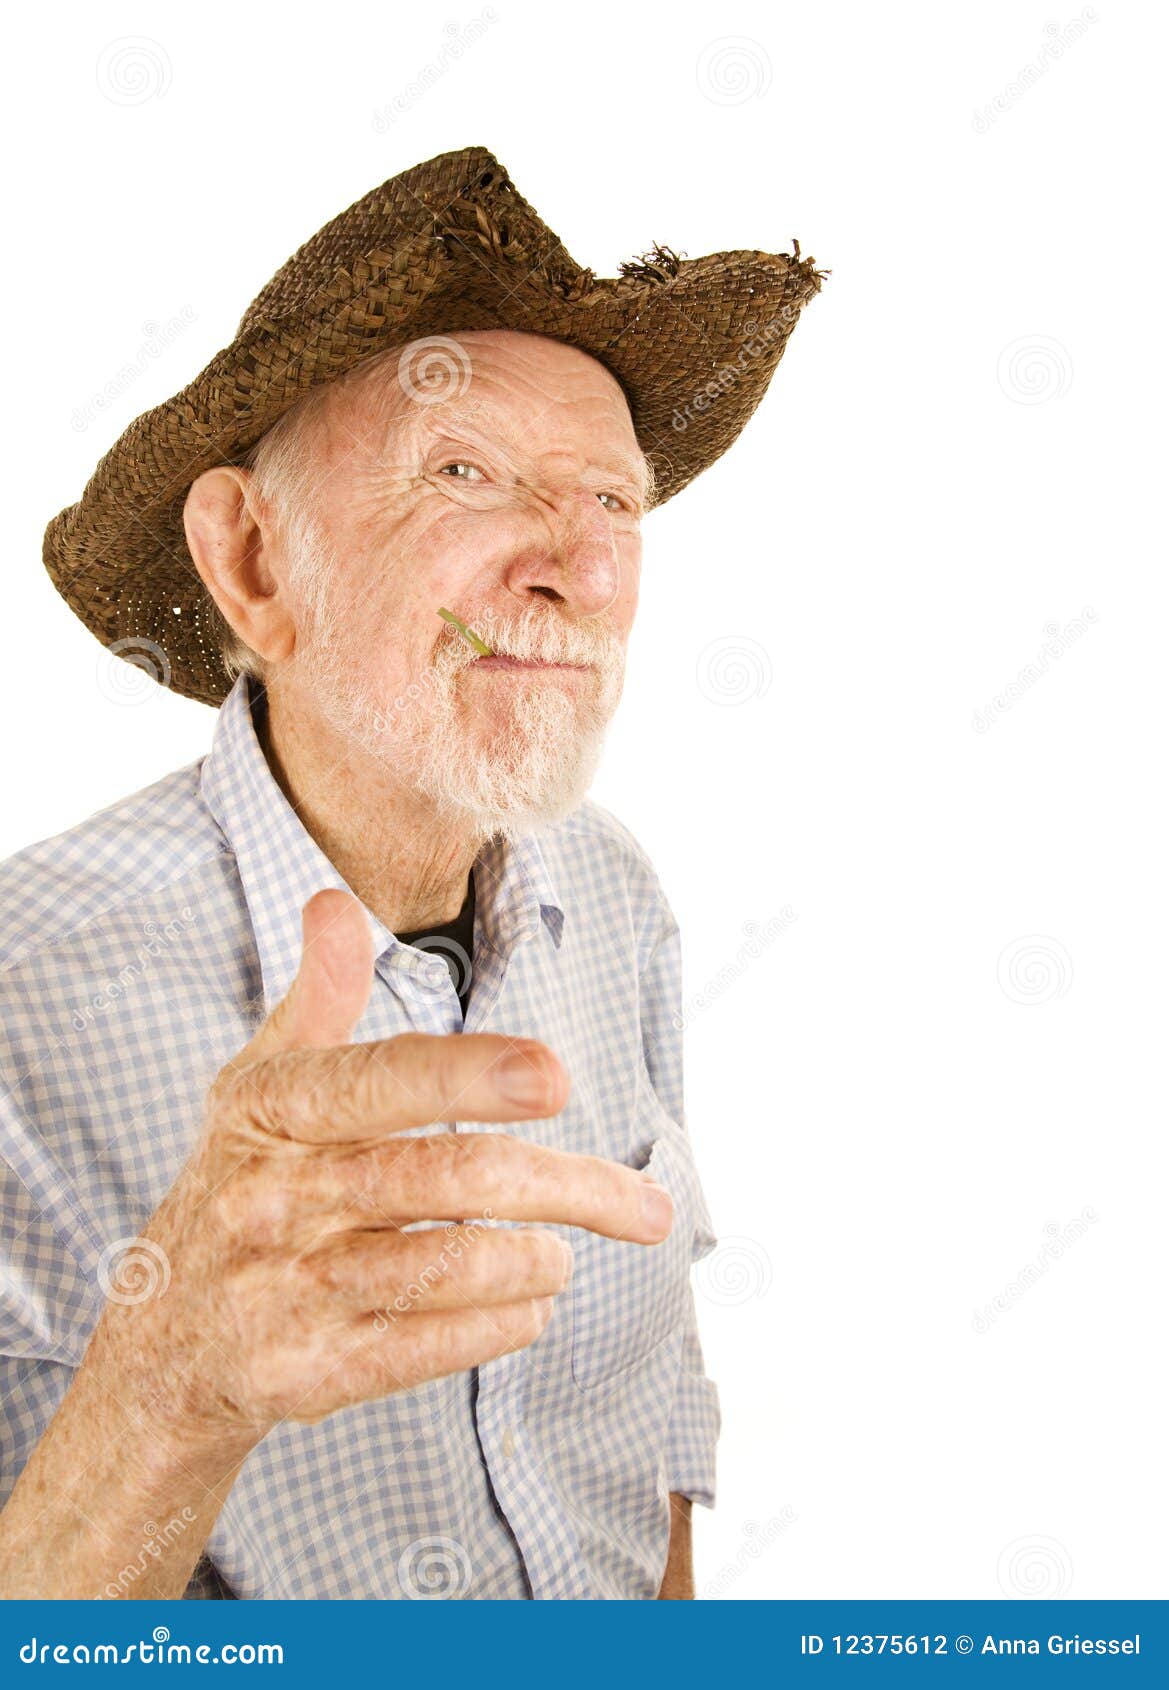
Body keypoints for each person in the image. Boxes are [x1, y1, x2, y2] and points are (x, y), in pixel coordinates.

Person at [0, 145, 822, 1598]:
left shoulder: (613, 891)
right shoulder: (25, 1002)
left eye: (614, 502)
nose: (587, 573)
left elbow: (649, 1406)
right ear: (252, 561)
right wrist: (173, 1382)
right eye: (466, 472)